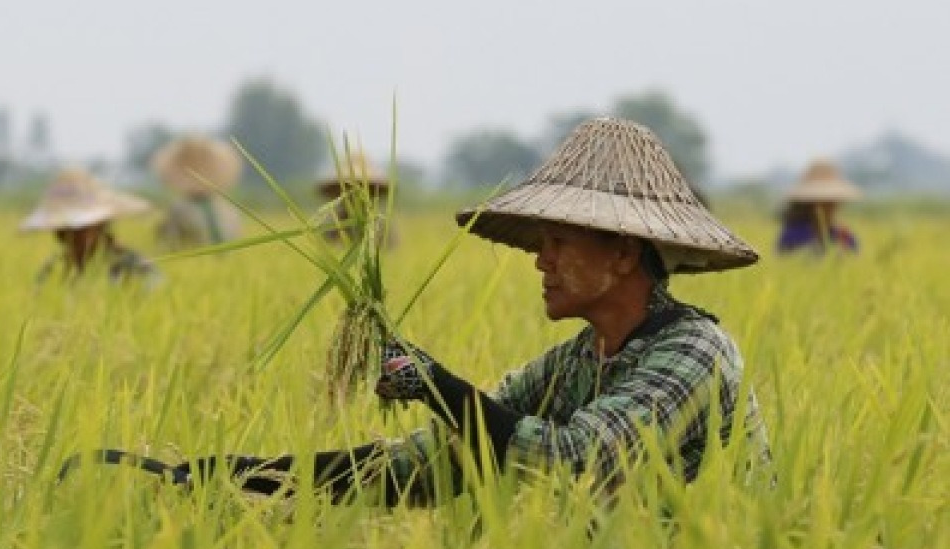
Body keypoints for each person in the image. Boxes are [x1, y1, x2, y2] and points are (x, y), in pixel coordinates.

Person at [62, 117, 772, 504]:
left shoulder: (695, 351)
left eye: (557, 242)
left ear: (623, 254)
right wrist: (236, 472)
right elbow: (431, 460)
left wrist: (435, 383)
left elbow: (573, 462)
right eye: (539, 243)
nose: (540, 259)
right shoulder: (574, 363)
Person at [22, 167, 163, 287]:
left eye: (81, 229)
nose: (73, 237)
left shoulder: (128, 263)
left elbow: (156, 292)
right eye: (65, 230)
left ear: (100, 225)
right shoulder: (54, 269)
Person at [152, 135, 243, 250]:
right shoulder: (230, 209)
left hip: (193, 259)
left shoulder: (179, 209)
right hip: (232, 262)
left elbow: (170, 245)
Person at [776, 159, 862, 254]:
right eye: (825, 202)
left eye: (833, 201)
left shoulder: (843, 236)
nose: (831, 207)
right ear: (809, 204)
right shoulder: (794, 234)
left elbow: (852, 261)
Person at [314, 152, 397, 248]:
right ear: (340, 192)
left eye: (361, 189)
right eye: (348, 189)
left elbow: (391, 256)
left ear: (372, 192)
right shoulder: (332, 227)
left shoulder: (382, 227)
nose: (355, 195)